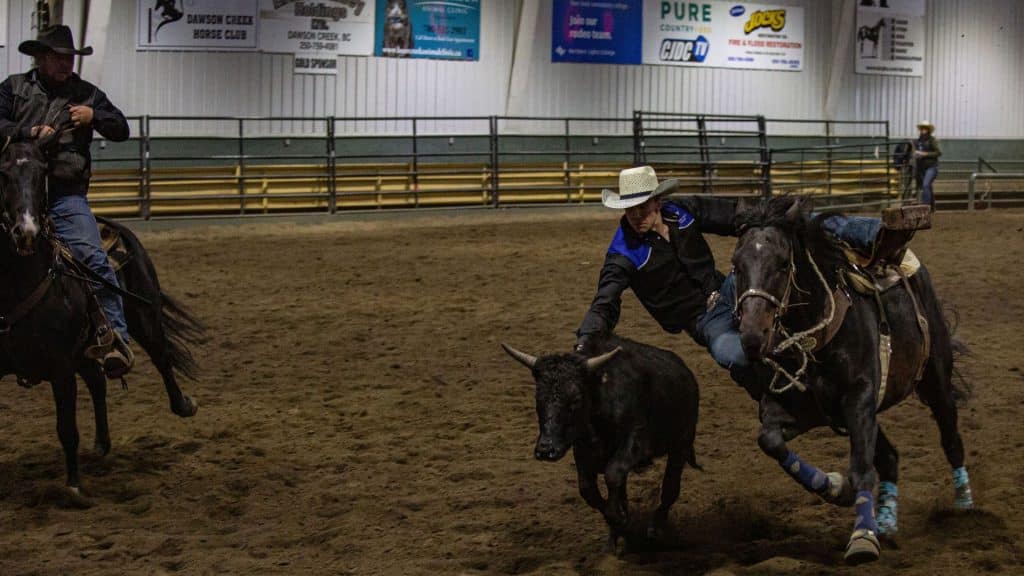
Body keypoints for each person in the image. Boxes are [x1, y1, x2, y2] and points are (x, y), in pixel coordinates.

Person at [575, 166, 916, 395]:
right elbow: (605, 301)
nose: (636, 215)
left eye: (643, 206)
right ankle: (790, 389)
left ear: (657, 201)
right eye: (630, 208)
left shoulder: (681, 211)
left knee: (795, 223)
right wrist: (585, 341)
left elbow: (736, 216)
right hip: (705, 321)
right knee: (738, 355)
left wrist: (778, 215)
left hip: (733, 289)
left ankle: (875, 233)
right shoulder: (623, 255)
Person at [0, 25, 133, 377]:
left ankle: (114, 336)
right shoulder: (13, 89)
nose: (65, 64)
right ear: (41, 59)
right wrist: (26, 132)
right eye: (57, 57)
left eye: (68, 58)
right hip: (16, 193)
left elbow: (121, 128)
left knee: (93, 257)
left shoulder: (87, 94)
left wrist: (94, 117)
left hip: (64, 195)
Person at [913, 121, 941, 209]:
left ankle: (925, 208)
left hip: (931, 167)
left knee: (925, 185)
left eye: (925, 128)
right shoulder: (918, 141)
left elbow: (938, 153)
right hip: (921, 167)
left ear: (928, 130)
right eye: (922, 128)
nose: (923, 130)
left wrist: (925, 154)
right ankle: (932, 207)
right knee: (927, 186)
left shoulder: (932, 140)